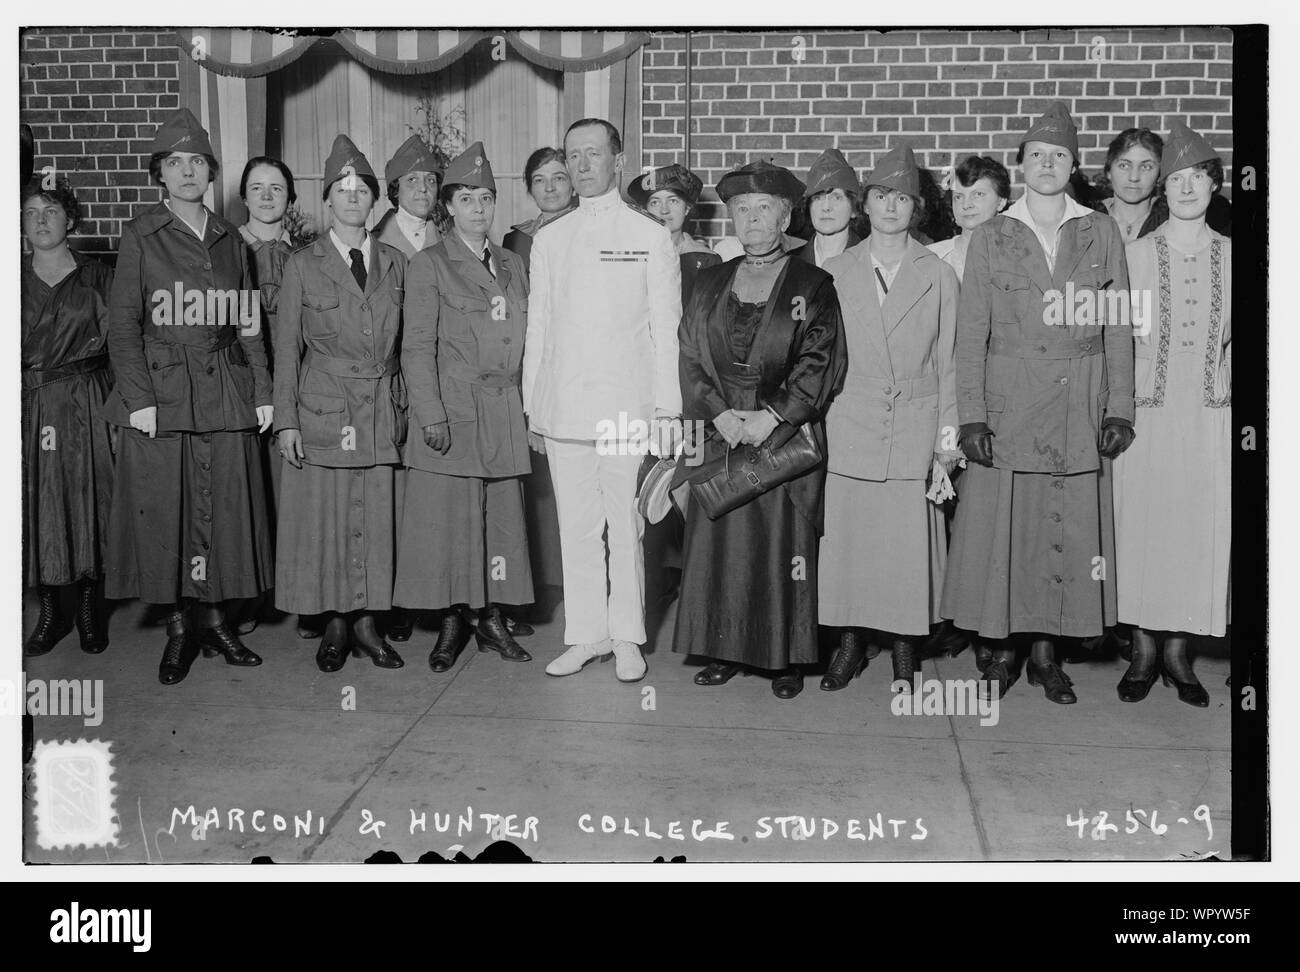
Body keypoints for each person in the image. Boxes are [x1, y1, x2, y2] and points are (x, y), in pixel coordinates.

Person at [940, 102, 1136, 704]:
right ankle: (1002, 652)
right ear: (1021, 166)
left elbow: (1118, 326)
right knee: (1005, 531)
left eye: (1059, 156)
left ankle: (1047, 656)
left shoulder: (1099, 230)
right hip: (1008, 403)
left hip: (1077, 400)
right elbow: (971, 332)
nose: (1047, 165)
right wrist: (970, 413)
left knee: (1064, 529)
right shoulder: (994, 233)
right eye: (1036, 156)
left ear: (1074, 165)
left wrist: (1119, 407)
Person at [104, 108, 273, 684]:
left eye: (197, 162)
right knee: (170, 512)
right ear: (160, 174)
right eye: (174, 164)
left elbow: (248, 321)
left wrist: (262, 390)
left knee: (224, 507)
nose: (187, 172)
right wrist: (139, 398)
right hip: (163, 390)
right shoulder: (140, 235)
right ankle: (179, 630)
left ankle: (217, 620)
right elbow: (122, 326)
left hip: (225, 387)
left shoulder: (231, 240)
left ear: (209, 173)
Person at [672, 160, 847, 699]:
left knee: (782, 548)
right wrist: (718, 411)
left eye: (763, 209)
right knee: (722, 545)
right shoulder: (709, 281)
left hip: (781, 436)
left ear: (785, 215)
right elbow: (690, 353)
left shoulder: (813, 283)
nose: (751, 219)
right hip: (719, 427)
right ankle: (724, 648)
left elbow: (821, 362)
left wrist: (771, 416)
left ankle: (784, 658)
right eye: (741, 210)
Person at [523, 117, 682, 683]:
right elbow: (537, 330)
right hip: (564, 408)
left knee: (626, 525)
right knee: (578, 527)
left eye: (593, 154)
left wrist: (666, 412)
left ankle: (628, 638)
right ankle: (585, 635)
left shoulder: (649, 236)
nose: (582, 165)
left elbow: (667, 331)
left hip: (626, 409)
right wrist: (533, 410)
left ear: (618, 160)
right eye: (573, 155)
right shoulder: (549, 238)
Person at [818, 144, 961, 692]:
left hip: (915, 426)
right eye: (881, 196)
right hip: (850, 422)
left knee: (906, 549)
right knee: (850, 543)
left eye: (903, 198)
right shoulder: (835, 271)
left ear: (917, 208)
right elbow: (822, 360)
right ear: (865, 205)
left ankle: (905, 650)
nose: (891, 208)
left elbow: (949, 364)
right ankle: (850, 646)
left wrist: (947, 441)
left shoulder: (938, 273)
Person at [393, 143, 534, 671]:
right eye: (467, 198)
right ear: (447, 206)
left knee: (500, 521)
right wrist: (429, 413)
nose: (478, 207)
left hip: (502, 407)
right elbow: (416, 345)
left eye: (487, 197)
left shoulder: (514, 264)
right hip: (453, 407)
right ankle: (453, 622)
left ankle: (491, 619)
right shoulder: (430, 264)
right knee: (451, 522)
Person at [273, 134, 408, 673]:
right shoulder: (303, 264)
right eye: (341, 188)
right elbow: (286, 347)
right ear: (326, 200)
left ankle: (369, 623)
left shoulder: (397, 262)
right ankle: (334, 622)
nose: (352, 196)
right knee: (328, 518)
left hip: (379, 407)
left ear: (375, 200)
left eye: (362, 189)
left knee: (375, 516)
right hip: (324, 408)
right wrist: (286, 420)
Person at [1111, 122, 1230, 708]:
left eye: (1198, 179)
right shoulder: (1131, 256)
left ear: (1214, 187)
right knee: (1142, 528)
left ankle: (1180, 653)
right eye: (1176, 179)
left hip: (1207, 414)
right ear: (1163, 188)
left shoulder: (1236, 258)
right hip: (1145, 414)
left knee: (1192, 530)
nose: (1186, 188)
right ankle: (1141, 648)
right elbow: (1112, 341)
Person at [21, 177, 114, 656]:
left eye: (51, 211)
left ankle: (87, 608)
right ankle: (49, 610)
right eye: (31, 211)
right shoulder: (10, 278)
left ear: (71, 220)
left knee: (87, 499)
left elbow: (122, 346)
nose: (40, 220)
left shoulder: (99, 277)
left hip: (88, 399)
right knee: (39, 502)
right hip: (31, 403)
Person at [234, 155, 297, 637]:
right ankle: (249, 596)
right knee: (249, 493)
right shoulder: (226, 249)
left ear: (290, 197)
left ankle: (298, 593)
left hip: (294, 383)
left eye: (277, 188)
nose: (268, 196)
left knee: (289, 489)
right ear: (244, 196)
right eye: (258, 187)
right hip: (241, 385)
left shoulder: (307, 255)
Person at [1092, 128, 1232, 241]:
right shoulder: (1088, 217)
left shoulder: (1175, 217)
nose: (1134, 177)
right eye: (1124, 165)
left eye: (1146, 167)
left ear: (1160, 174)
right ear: (1109, 171)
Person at [628, 162, 721, 302]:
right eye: (655, 202)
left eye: (673, 201)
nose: (664, 210)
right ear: (645, 211)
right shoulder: (632, 258)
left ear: (687, 209)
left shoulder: (707, 260)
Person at [928, 155, 1012, 282]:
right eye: (958, 197)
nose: (966, 205)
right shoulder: (931, 257)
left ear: (1001, 202)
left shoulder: (1018, 256)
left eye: (978, 194)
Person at [790, 147, 866, 268]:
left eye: (836, 198)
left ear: (854, 209)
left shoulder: (870, 261)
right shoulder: (789, 264)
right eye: (817, 198)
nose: (826, 207)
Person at [503, 146, 577, 271]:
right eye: (539, 180)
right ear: (531, 191)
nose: (549, 188)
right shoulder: (515, 240)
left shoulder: (592, 232)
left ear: (574, 187)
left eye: (558, 178)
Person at [372, 134, 443, 260]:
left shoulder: (448, 242)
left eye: (431, 180)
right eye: (412, 179)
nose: (423, 188)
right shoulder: (374, 244)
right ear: (396, 189)